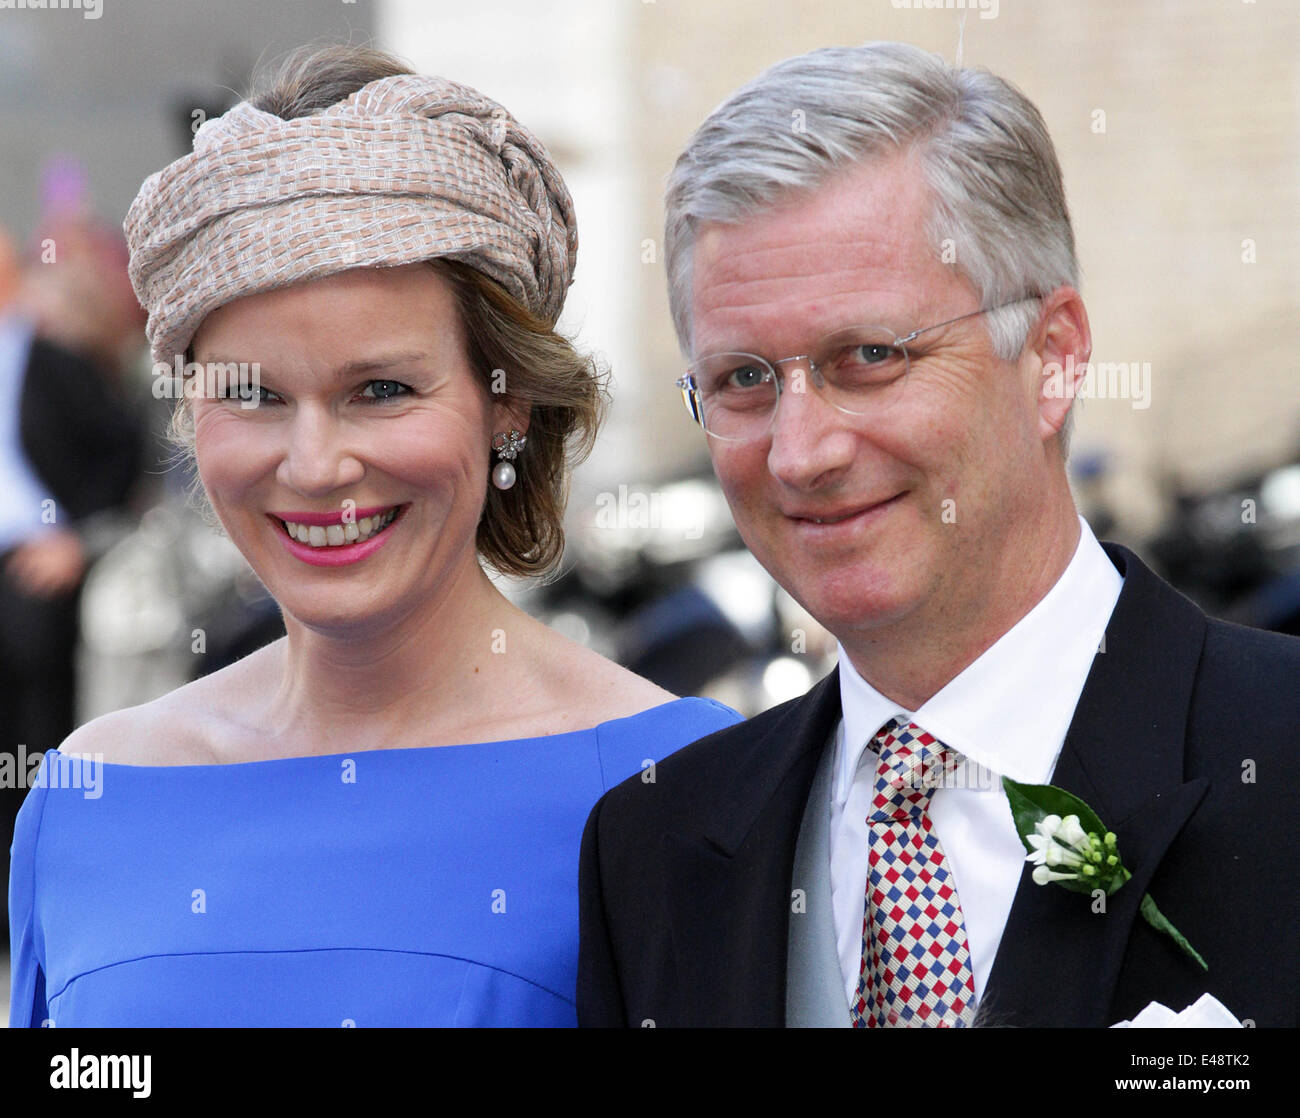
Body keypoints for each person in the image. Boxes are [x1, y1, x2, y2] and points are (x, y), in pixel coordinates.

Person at [7, 44, 740, 1028]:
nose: (314, 464)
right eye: (253, 394)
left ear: (508, 403)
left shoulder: (679, 787)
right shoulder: (91, 793)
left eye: (381, 389)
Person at [577, 42, 1300, 1028]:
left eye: (869, 355)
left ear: (1051, 356)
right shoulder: (653, 849)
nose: (800, 452)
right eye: (744, 377)